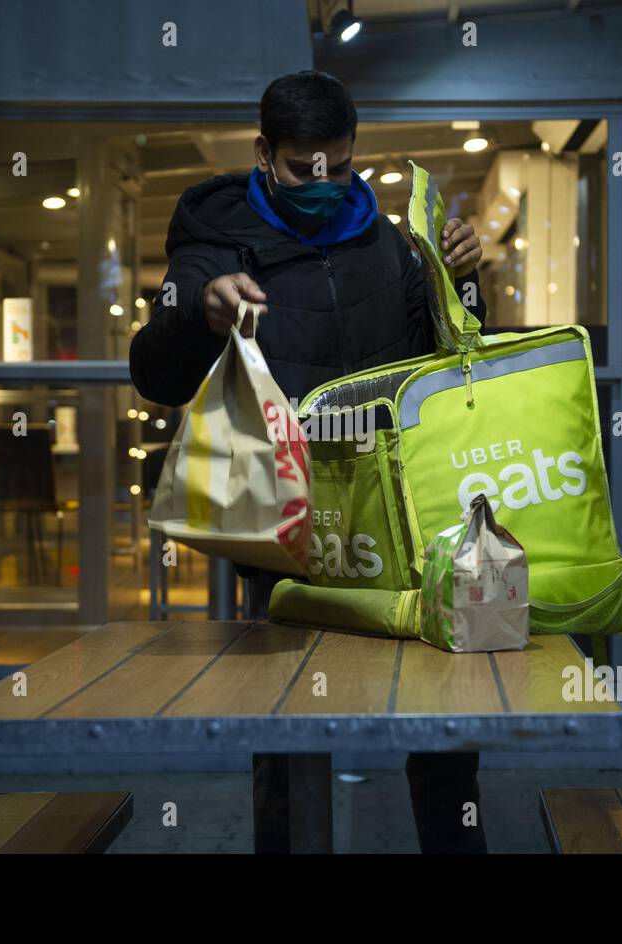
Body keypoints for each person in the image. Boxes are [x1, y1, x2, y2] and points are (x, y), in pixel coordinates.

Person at [129, 70, 487, 854]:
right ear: (263, 152)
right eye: (302, 167)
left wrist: (462, 283)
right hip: (286, 526)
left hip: (395, 519)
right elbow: (155, 374)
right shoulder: (213, 237)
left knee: (444, 729)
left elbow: (445, 360)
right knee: (289, 737)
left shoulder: (390, 242)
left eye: (341, 164)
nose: (324, 184)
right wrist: (202, 309)